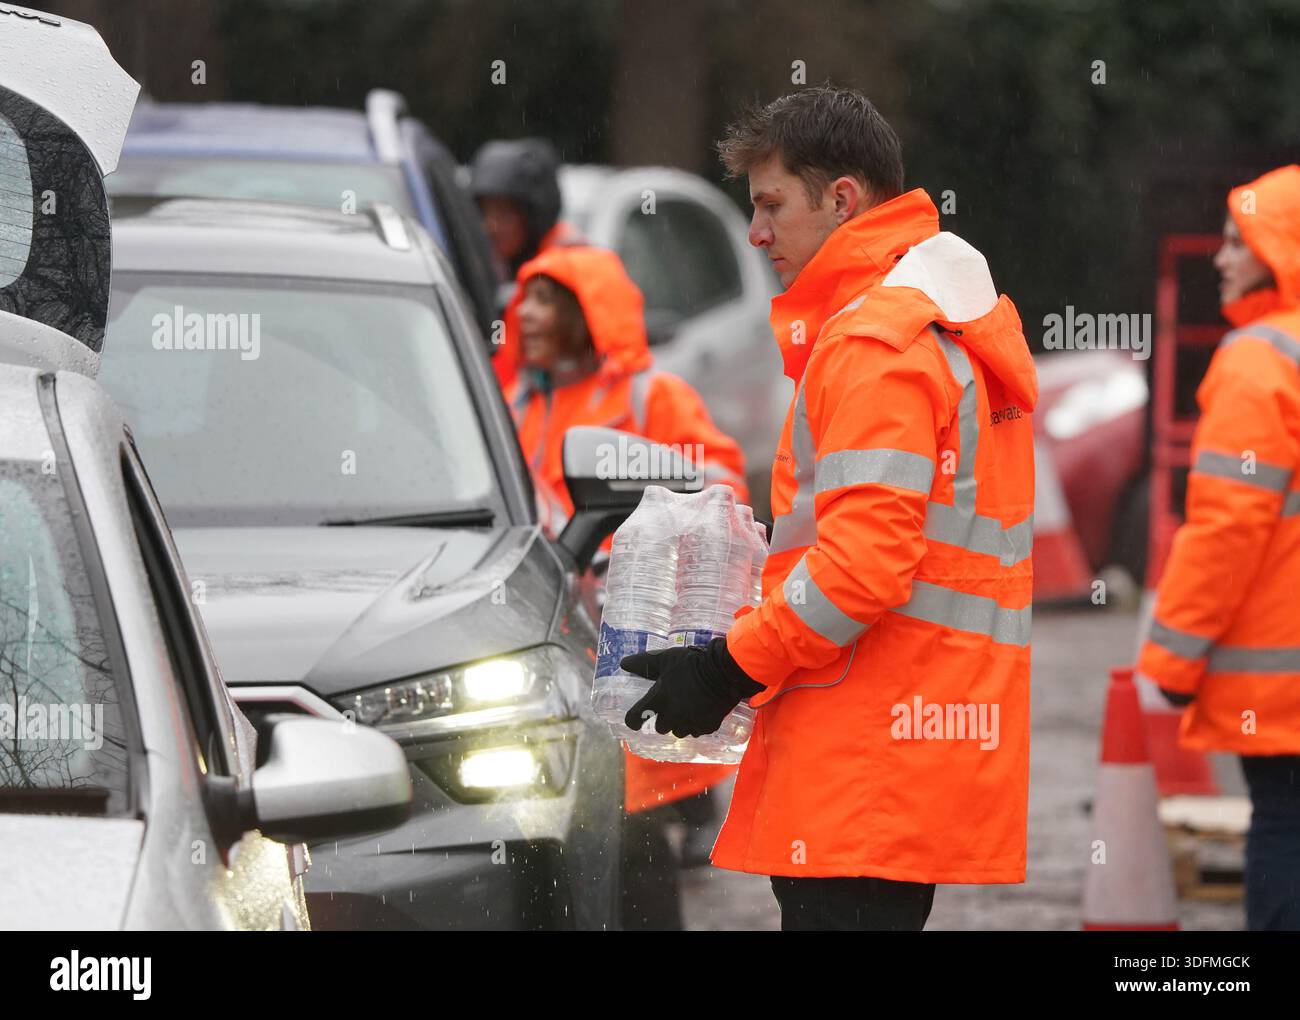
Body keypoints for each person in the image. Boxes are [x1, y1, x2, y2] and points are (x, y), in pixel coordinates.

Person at [621, 86, 1037, 931]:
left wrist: (725, 669)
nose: (756, 233)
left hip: (859, 756)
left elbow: (860, 567)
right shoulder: (944, 324)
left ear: (842, 199)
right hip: (910, 741)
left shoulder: (871, 345)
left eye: (773, 204)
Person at [505, 242, 749, 928]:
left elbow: (719, 490)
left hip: (626, 637)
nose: (524, 314)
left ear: (590, 314)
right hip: (540, 634)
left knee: (632, 830)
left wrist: (638, 553)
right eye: (525, 297)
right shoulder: (514, 401)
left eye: (547, 300)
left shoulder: (652, 397)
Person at [1138, 165, 1300, 931]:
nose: (1222, 256)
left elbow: (1226, 528)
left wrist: (1172, 662)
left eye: (1242, 241)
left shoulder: (1259, 361)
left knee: (1283, 827)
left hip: (1280, 685)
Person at [469, 138, 583, 389]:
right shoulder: (498, 267)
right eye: (486, 213)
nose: (491, 226)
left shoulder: (567, 269)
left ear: (533, 216)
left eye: (504, 214)